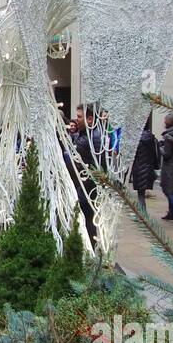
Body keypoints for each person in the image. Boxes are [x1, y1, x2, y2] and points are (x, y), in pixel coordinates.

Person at [70, 104, 104, 247]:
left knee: (89, 219)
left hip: (88, 187)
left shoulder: (94, 137)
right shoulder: (85, 134)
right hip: (82, 185)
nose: (76, 120)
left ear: (89, 119)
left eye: (79, 117)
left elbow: (99, 164)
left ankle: (91, 247)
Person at [130, 116, 160, 212]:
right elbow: (155, 154)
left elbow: (132, 155)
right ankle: (142, 213)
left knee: (141, 195)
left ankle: (143, 214)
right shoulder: (152, 138)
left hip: (138, 168)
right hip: (148, 168)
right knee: (141, 194)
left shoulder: (136, 139)